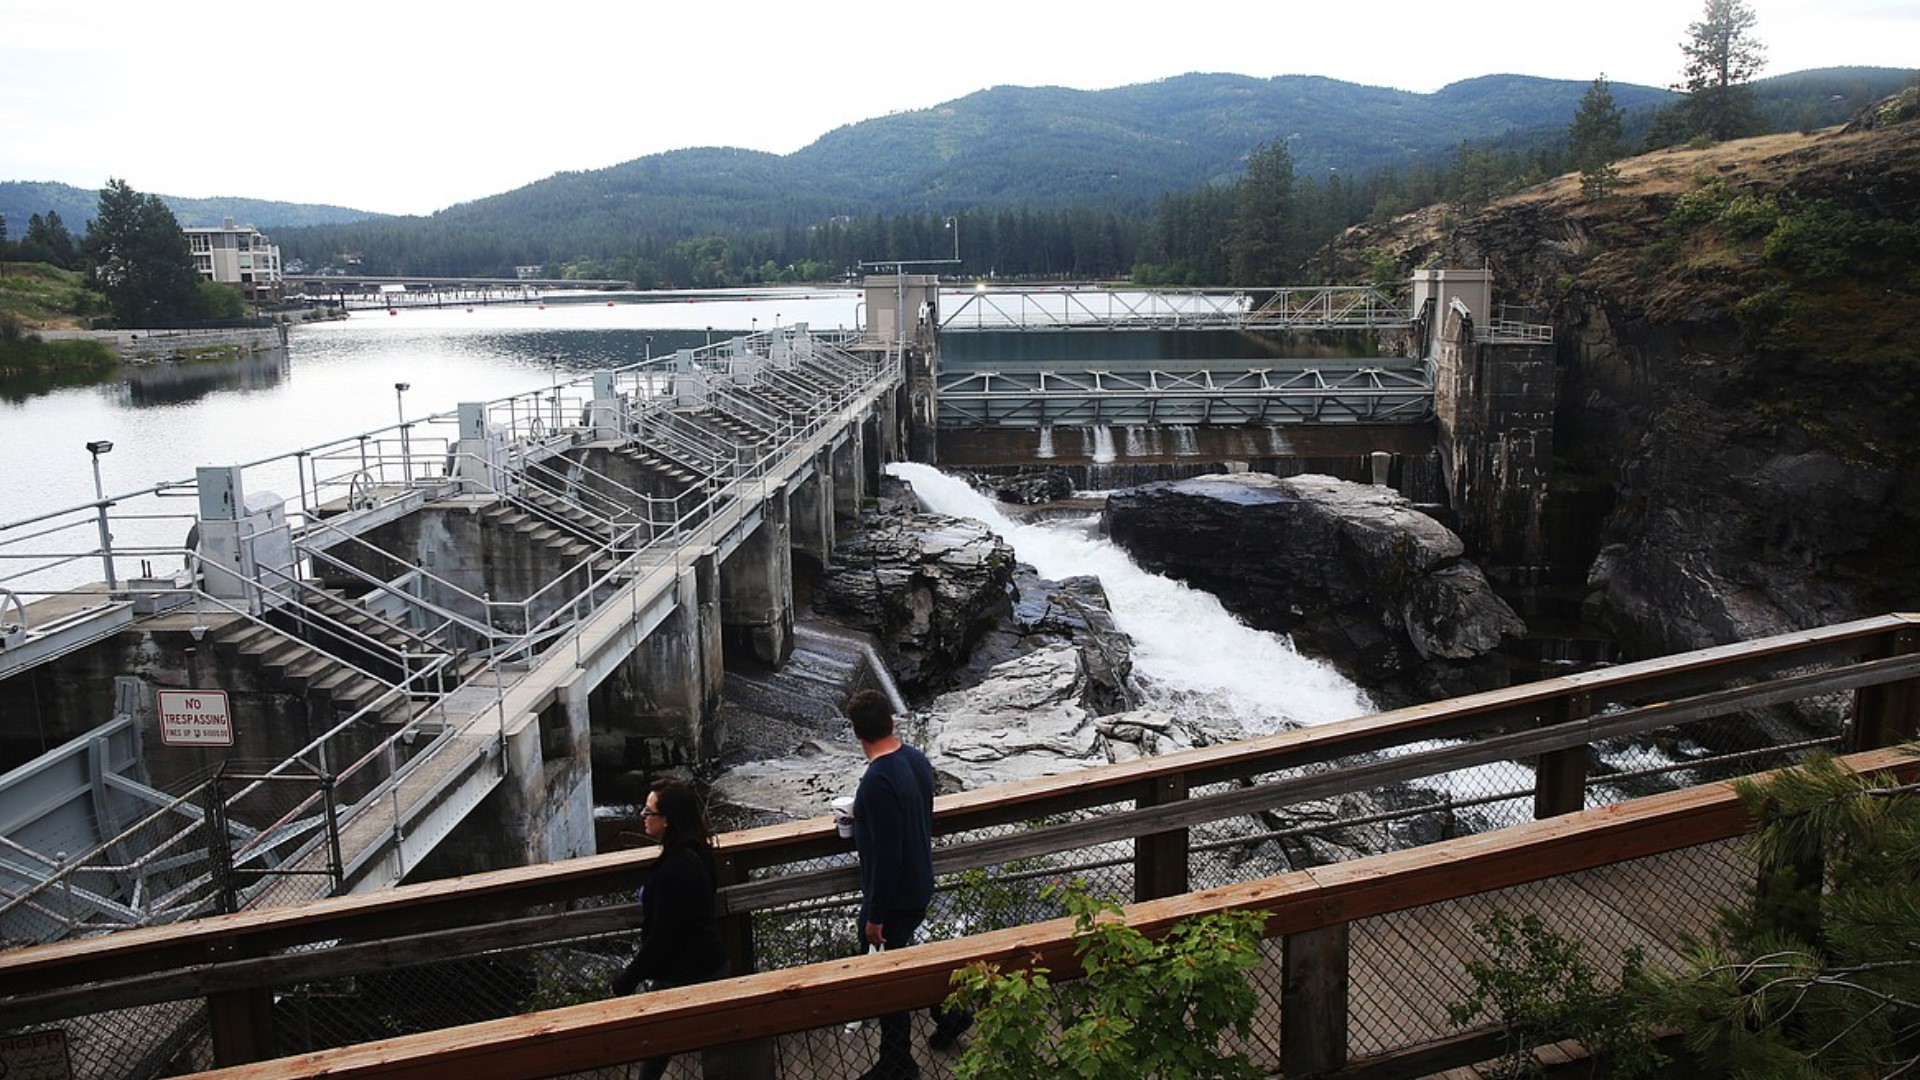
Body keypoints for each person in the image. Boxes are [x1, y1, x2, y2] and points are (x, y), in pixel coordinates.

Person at [847, 688, 971, 1080]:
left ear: (856, 734)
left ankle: (898, 1062)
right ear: (891, 721)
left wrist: (875, 916)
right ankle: (949, 1015)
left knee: (885, 977)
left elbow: (887, 856)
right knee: (904, 963)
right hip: (920, 881)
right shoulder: (916, 760)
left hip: (894, 896)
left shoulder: (876, 782)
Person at [611, 779, 728, 1080]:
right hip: (705, 967)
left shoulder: (676, 869)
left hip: (685, 976)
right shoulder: (696, 852)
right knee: (706, 1052)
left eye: (649, 812)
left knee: (657, 1051)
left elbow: (662, 937)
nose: (643, 816)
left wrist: (626, 979)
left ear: (668, 821)